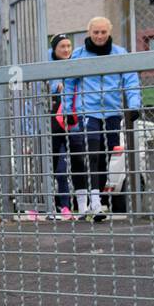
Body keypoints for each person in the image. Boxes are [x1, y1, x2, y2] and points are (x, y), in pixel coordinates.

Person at [62, 17, 142, 220]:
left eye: (103, 32)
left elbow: (131, 80)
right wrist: (67, 111)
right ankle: (95, 203)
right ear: (89, 33)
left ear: (109, 32)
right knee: (92, 152)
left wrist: (134, 105)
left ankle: (95, 200)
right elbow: (69, 84)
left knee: (105, 156)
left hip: (112, 112)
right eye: (95, 32)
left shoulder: (120, 54)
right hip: (87, 112)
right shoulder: (78, 55)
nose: (99, 36)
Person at [47, 34, 75, 217]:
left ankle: (67, 206)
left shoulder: (76, 64)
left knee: (68, 166)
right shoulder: (48, 67)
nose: (66, 50)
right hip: (53, 124)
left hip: (73, 122)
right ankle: (50, 205)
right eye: (61, 46)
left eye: (68, 46)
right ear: (54, 49)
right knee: (54, 165)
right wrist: (57, 86)